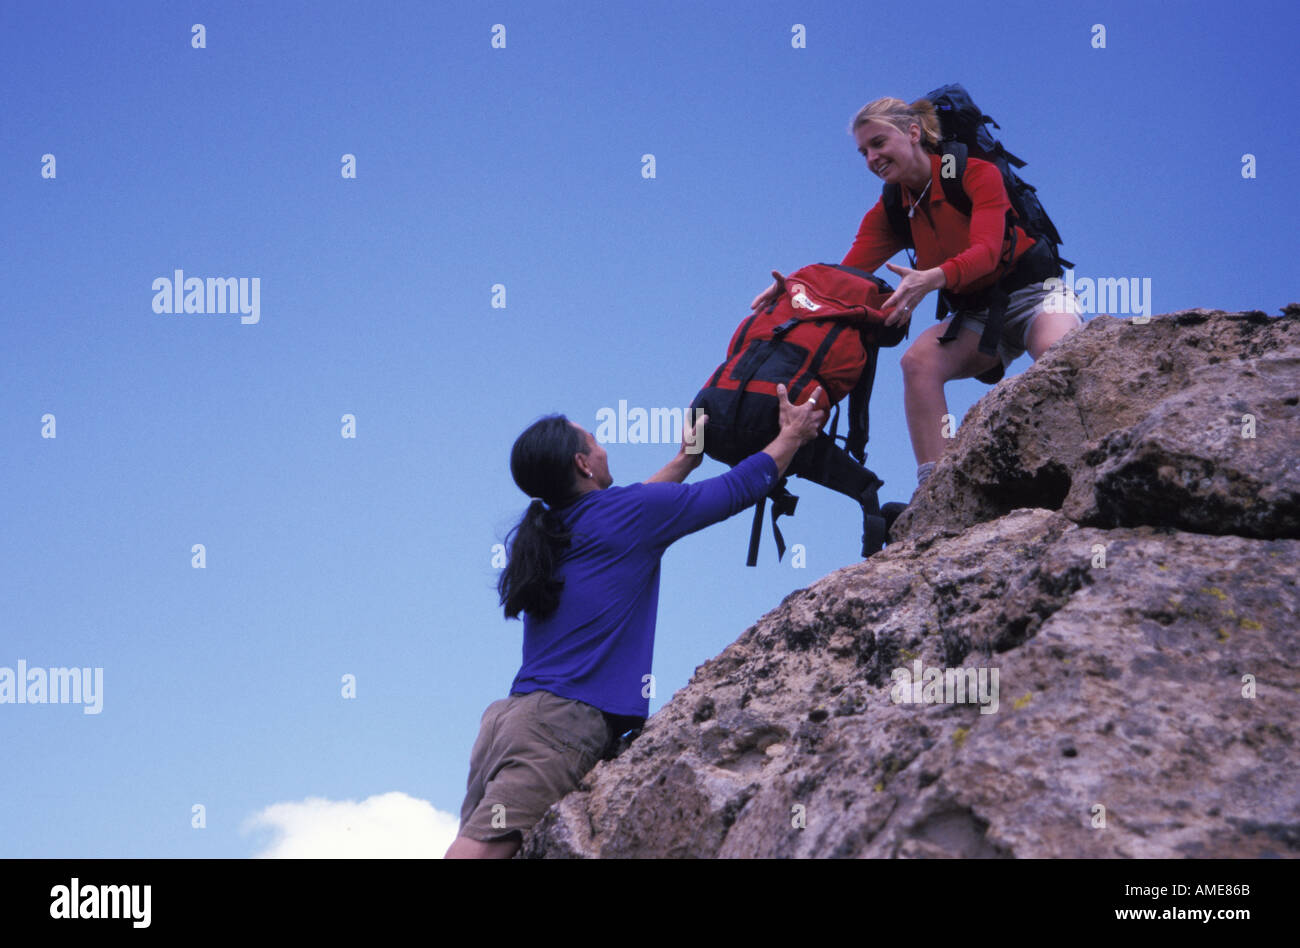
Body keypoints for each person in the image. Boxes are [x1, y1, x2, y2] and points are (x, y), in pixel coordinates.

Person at [444, 384, 827, 858]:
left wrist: (687, 460)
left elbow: (639, 504)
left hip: (509, 721)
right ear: (583, 464)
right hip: (561, 721)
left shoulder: (555, 529)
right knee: (480, 853)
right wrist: (791, 435)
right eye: (595, 441)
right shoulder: (626, 515)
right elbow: (736, 489)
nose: (604, 447)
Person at [750, 97, 1085, 498]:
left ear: (912, 133)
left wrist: (933, 278)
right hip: (976, 316)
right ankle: (937, 492)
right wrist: (794, 289)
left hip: (1036, 296)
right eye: (864, 151)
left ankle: (1089, 458)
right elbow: (847, 275)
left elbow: (987, 251)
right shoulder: (892, 207)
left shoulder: (971, 173)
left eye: (878, 143)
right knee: (918, 362)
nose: (872, 158)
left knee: (1057, 352)